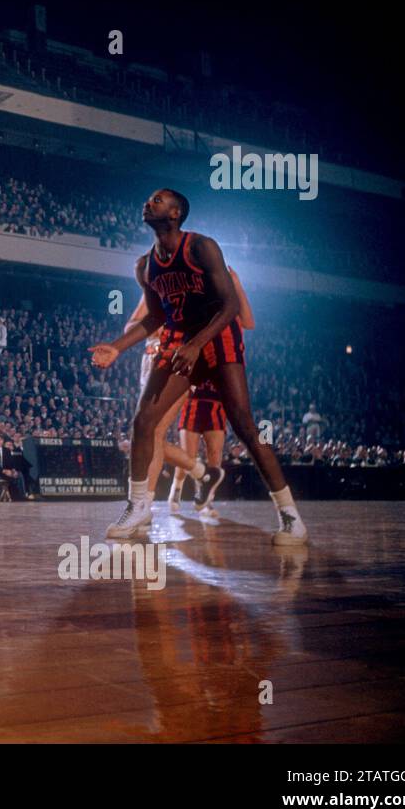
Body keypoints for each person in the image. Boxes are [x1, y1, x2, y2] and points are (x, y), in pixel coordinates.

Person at [89, 188, 306, 545]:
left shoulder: (202, 247)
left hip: (217, 336)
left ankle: (290, 517)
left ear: (175, 214)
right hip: (178, 339)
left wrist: (196, 344)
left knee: (245, 426)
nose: (148, 202)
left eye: (157, 200)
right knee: (144, 420)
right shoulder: (145, 265)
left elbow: (231, 306)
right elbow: (156, 317)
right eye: (148, 199)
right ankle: (139, 505)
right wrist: (117, 346)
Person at [170, 269, 256, 516]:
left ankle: (206, 501)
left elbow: (250, 322)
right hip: (194, 397)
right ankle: (175, 491)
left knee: (215, 454)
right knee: (187, 455)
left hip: (216, 400)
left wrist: (238, 284)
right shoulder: (198, 313)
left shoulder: (231, 317)